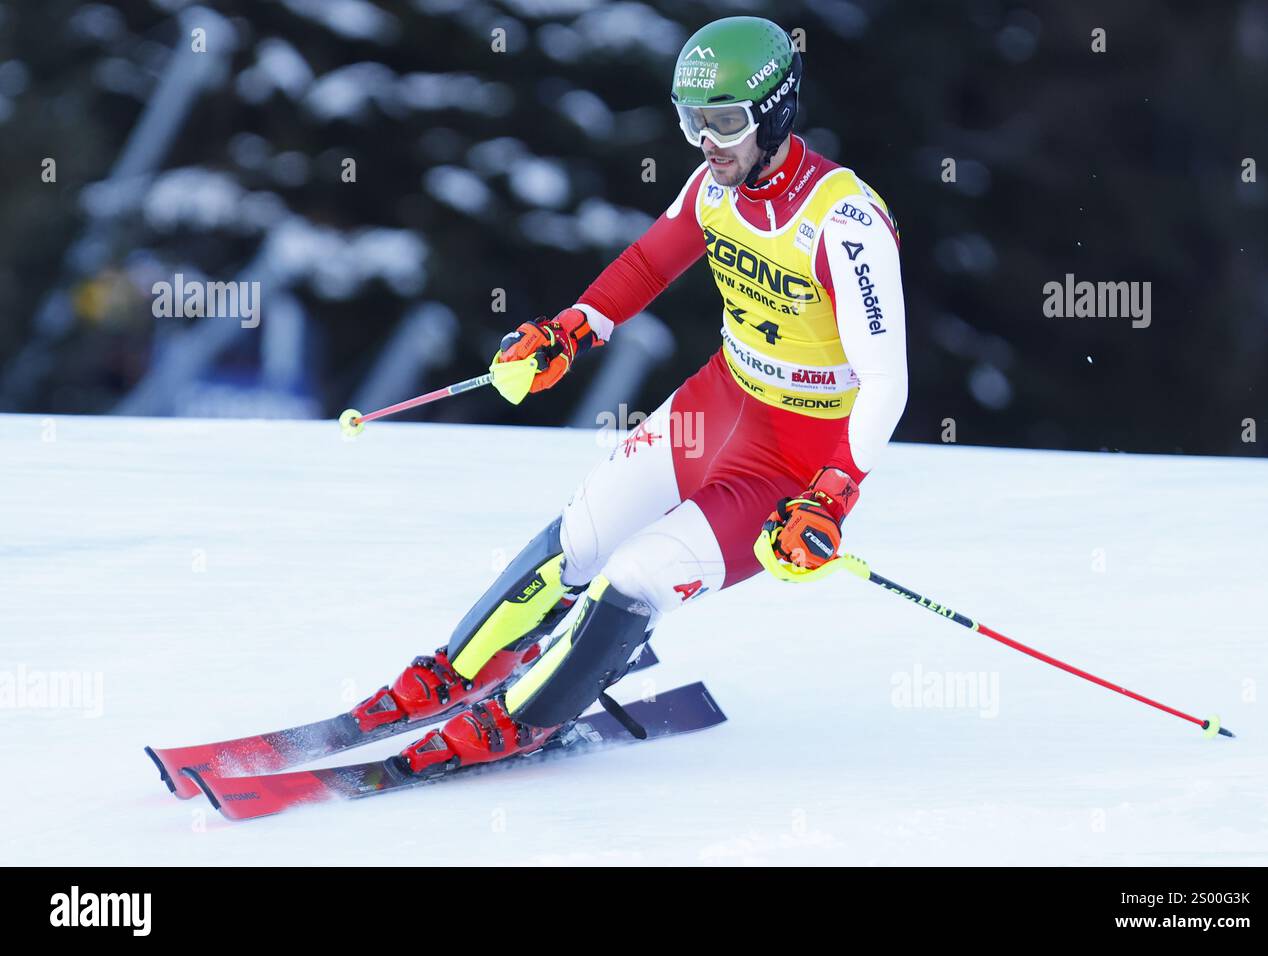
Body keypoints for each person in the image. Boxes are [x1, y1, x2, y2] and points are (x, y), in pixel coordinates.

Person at [349, 15, 908, 770]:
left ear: (775, 111)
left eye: (725, 122)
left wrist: (833, 495)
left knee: (636, 574)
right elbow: (649, 264)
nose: (707, 142)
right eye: (691, 123)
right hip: (718, 408)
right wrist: (571, 330)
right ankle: (457, 669)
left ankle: (519, 720)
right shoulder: (714, 185)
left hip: (794, 461)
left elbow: (887, 380)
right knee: (580, 537)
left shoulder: (842, 221)